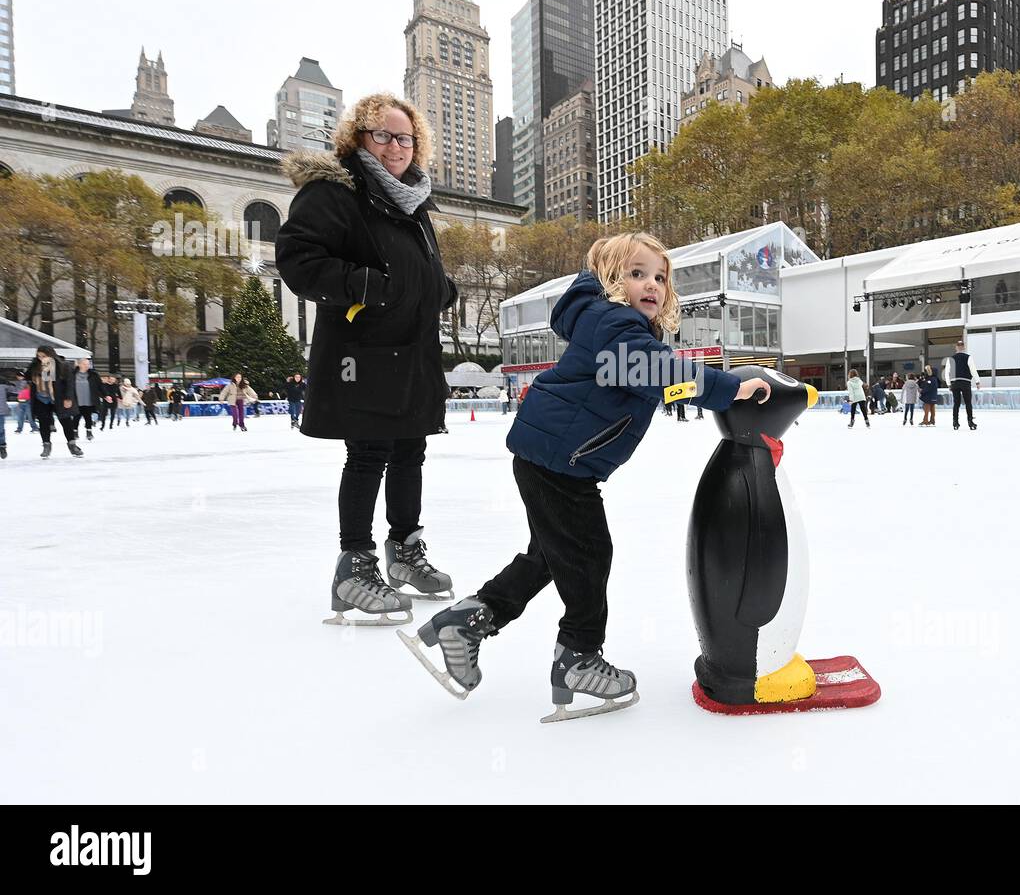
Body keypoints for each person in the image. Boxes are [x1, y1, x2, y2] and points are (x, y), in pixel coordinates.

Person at [403, 232, 770, 712]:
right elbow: (657, 373)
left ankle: (469, 619)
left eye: (659, 276)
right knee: (590, 555)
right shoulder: (613, 323)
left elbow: (657, 385)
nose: (652, 285)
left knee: (553, 557)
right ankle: (578, 655)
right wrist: (729, 389)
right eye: (636, 274)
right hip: (561, 463)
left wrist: (708, 389)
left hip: (554, 458)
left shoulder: (614, 327)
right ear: (609, 279)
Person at [276, 91, 460, 625]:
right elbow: (299, 261)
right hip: (365, 352)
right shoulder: (336, 192)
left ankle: (404, 552)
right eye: (382, 135)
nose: (395, 145)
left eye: (404, 137)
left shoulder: (413, 202)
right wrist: (371, 288)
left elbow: (418, 270)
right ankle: (355, 568)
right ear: (359, 139)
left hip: (415, 351)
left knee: (410, 451)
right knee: (369, 453)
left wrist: (438, 290)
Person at [27, 346, 82, 459]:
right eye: (39, 356)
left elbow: (69, 383)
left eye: (44, 356)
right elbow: (27, 377)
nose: (41, 358)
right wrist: (34, 364)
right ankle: (46, 445)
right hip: (41, 398)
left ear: (51, 355)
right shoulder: (36, 366)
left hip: (58, 398)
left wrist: (68, 398)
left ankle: (72, 445)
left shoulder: (62, 366)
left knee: (66, 421)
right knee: (44, 422)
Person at [943, 340, 982, 430]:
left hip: (955, 383)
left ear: (956, 347)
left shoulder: (950, 359)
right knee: (968, 403)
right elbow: (973, 370)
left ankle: (955, 422)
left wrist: (949, 384)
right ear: (964, 347)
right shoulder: (968, 357)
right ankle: (970, 422)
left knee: (956, 403)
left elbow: (947, 372)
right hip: (965, 382)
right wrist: (977, 382)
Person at [70, 359, 102, 441]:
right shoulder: (72, 374)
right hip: (76, 401)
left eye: (88, 364)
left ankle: (89, 432)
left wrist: (106, 395)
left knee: (88, 417)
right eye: (84, 364)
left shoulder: (93, 374)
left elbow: (100, 386)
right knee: (76, 417)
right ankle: (74, 432)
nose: (87, 365)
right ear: (79, 364)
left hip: (88, 400)